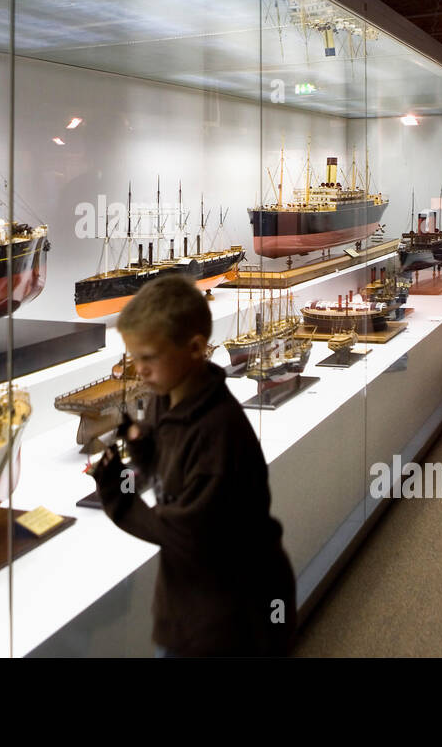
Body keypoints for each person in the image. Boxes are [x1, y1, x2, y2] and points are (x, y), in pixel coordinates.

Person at [91, 274, 297, 656]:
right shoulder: (164, 396)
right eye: (134, 358)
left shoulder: (219, 434)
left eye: (148, 358)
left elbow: (181, 533)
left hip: (231, 617)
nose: (140, 370)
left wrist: (115, 495)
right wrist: (138, 442)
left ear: (195, 348)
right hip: (188, 601)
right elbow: (162, 464)